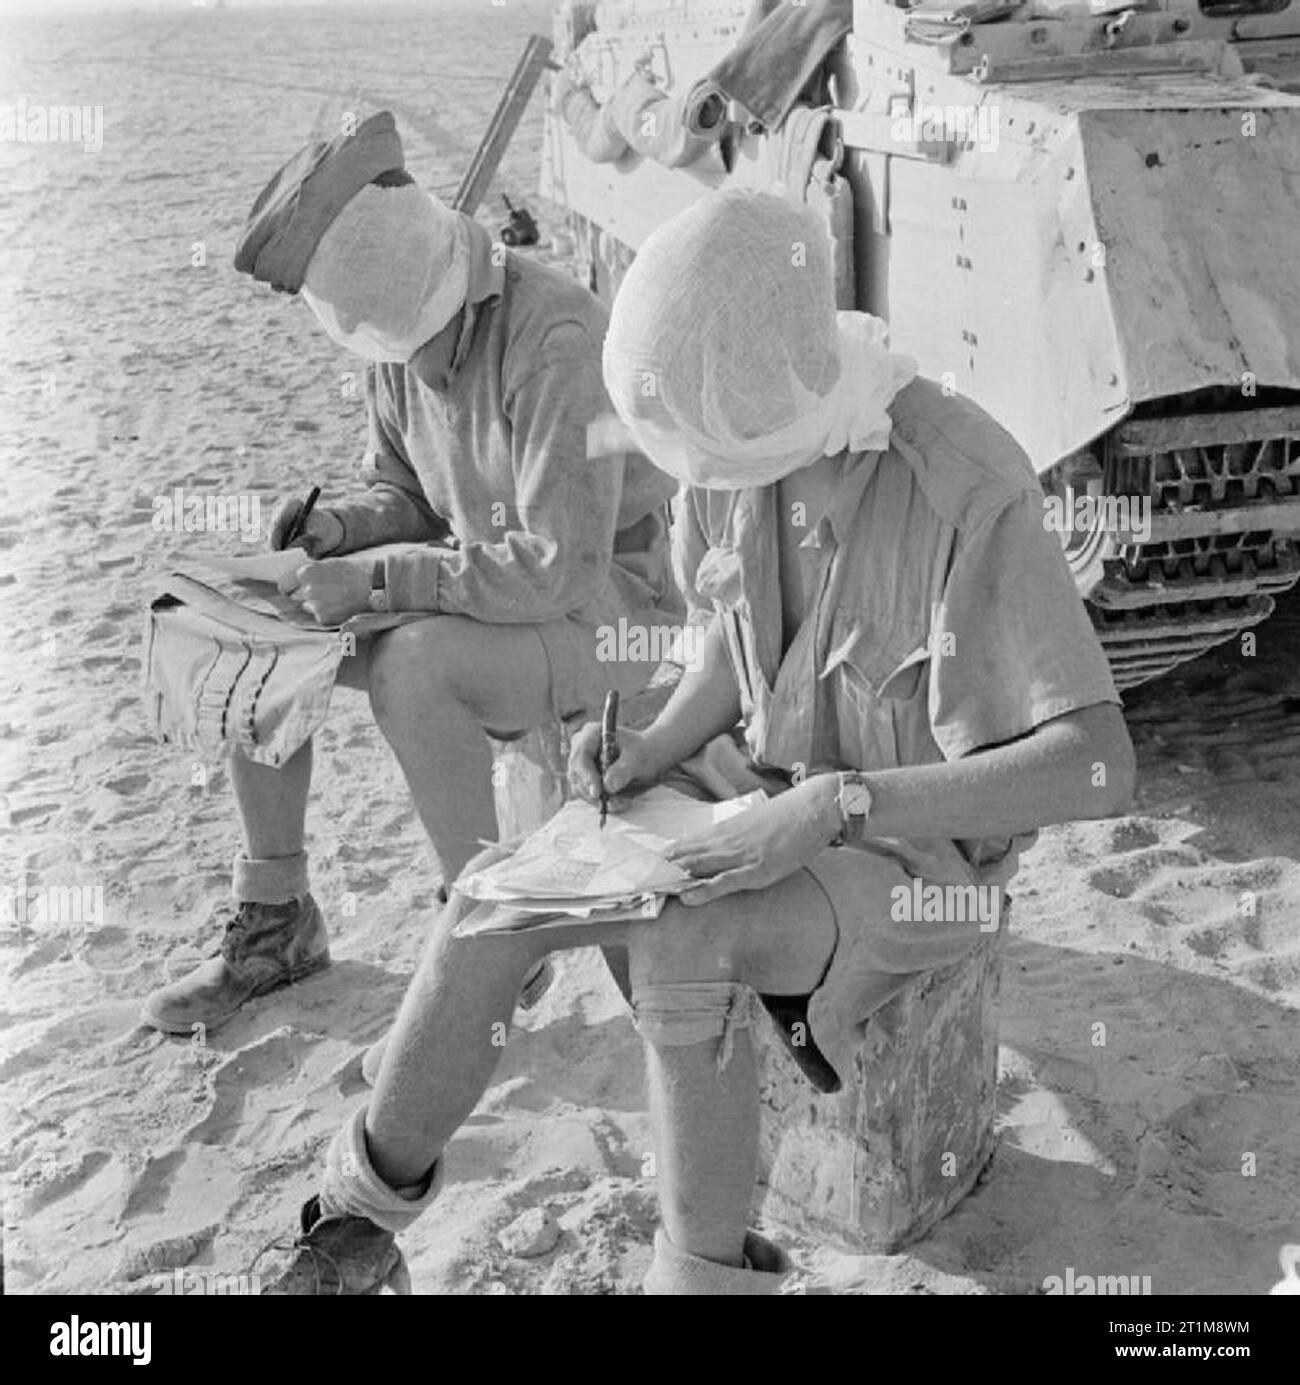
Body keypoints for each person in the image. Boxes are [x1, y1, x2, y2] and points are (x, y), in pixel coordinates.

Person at [257, 187, 1135, 1295]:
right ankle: (354, 1222)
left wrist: (840, 803)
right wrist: (651, 742)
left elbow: (1100, 764)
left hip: (915, 862)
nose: (698, 487)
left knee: (686, 939)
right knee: (493, 897)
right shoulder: (738, 436)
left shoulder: (962, 482)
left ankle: (701, 1281)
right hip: (742, 791)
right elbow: (730, 633)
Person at [141, 112, 679, 1035]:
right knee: (237, 622)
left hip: (611, 615)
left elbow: (558, 564)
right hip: (493, 586)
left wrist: (378, 584)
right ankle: (278, 919)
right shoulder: (397, 333)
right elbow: (409, 492)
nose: (416, 377)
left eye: (421, 353)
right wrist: (338, 529)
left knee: (412, 665)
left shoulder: (556, 339)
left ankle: (487, 947)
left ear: (454, 297)